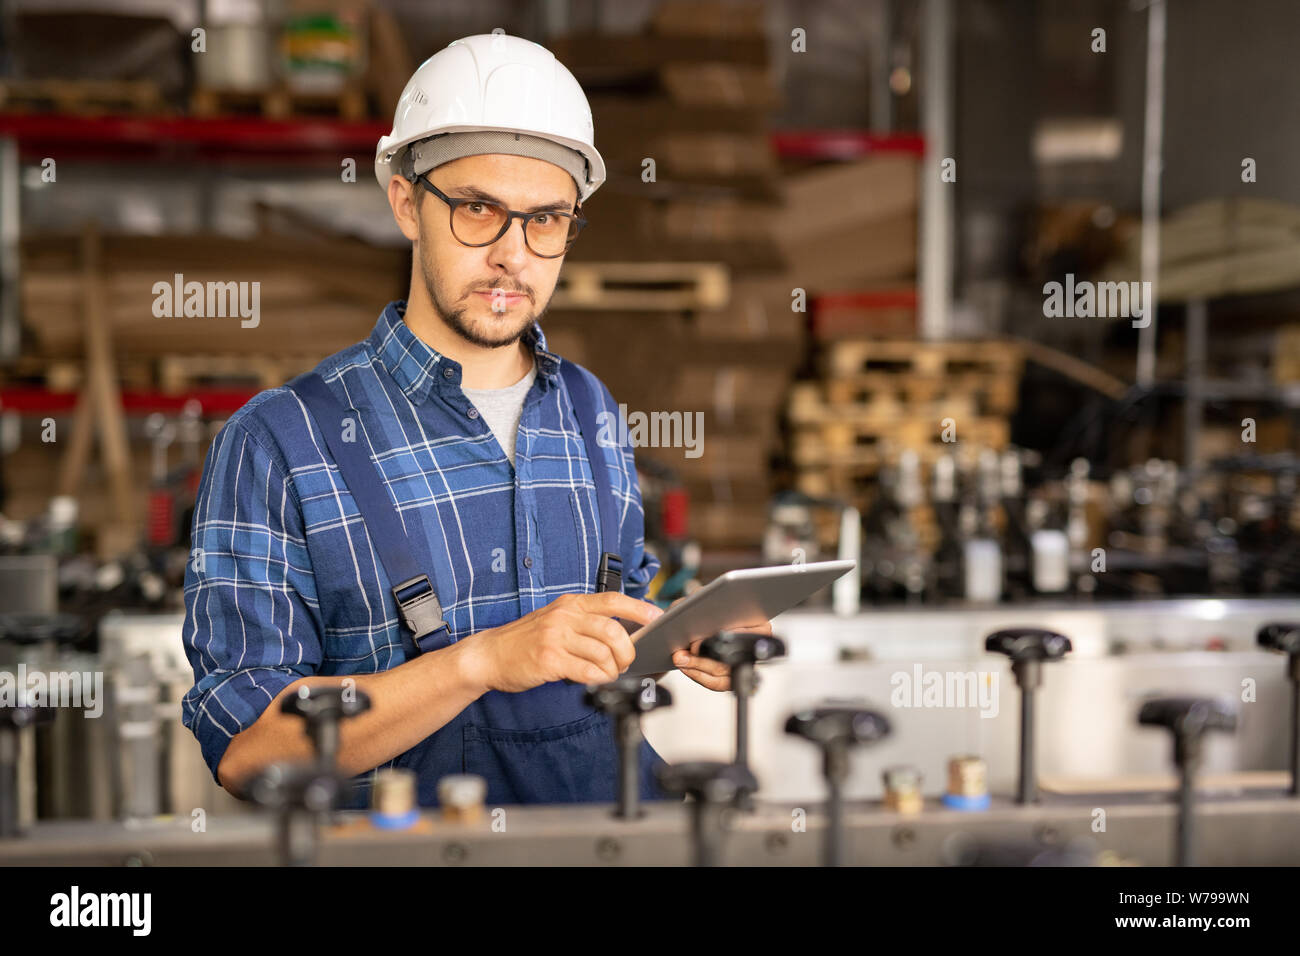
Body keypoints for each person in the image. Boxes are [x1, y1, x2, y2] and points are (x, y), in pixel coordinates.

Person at [181, 33, 769, 809]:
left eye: (546, 219)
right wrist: (480, 662)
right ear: (406, 203)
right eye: (478, 209)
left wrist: (680, 636)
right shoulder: (280, 442)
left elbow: (608, 640)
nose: (512, 256)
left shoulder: (589, 409)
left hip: (599, 843)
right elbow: (249, 752)